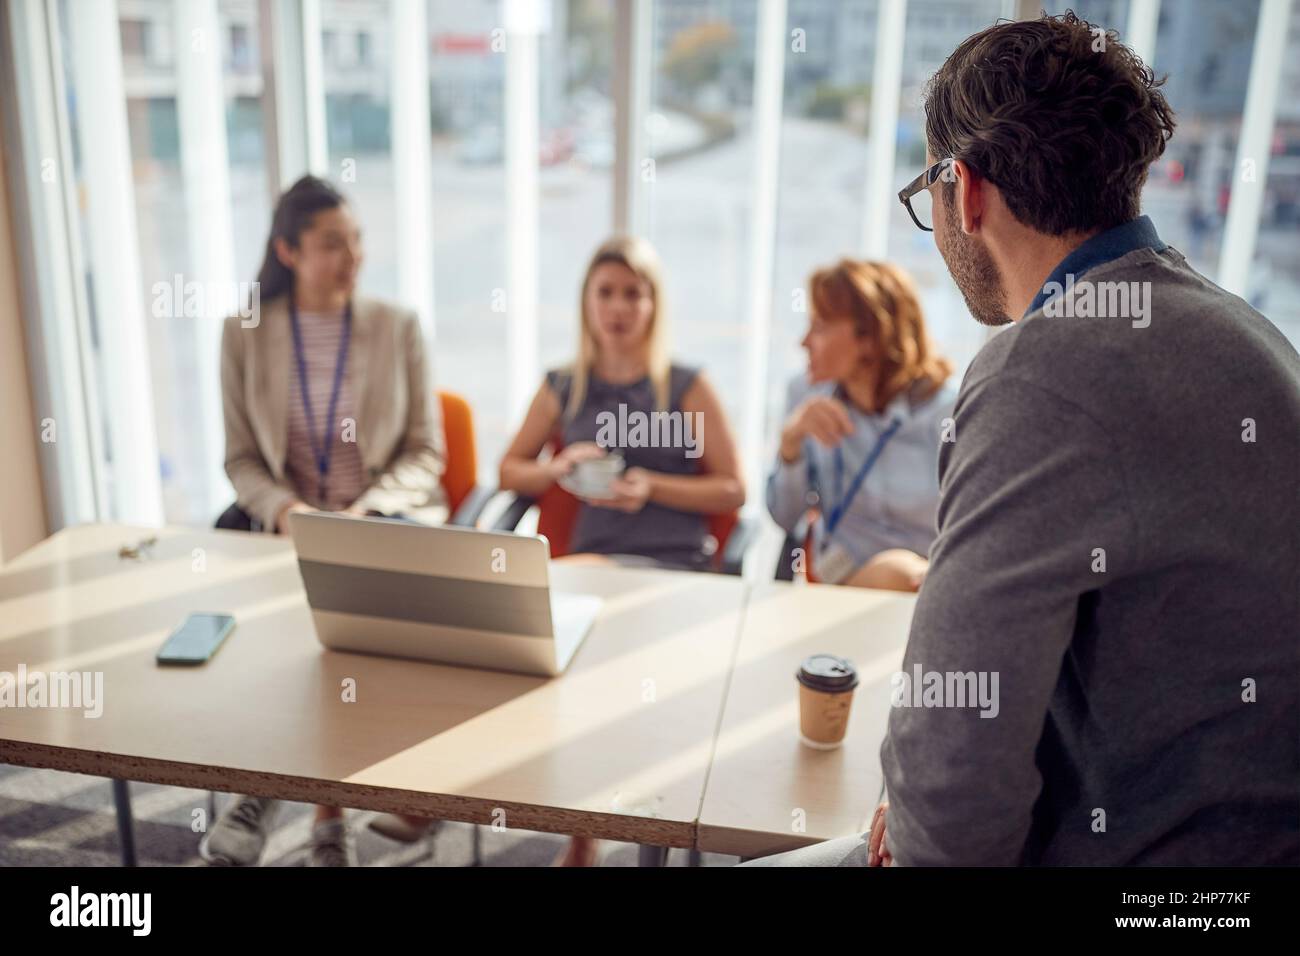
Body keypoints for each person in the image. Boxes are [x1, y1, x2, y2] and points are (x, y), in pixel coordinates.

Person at [746, 11, 1299, 866]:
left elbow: (952, 784)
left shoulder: (1038, 373)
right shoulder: (1249, 335)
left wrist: (911, 814)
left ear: (964, 190)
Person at [203, 175, 448, 867]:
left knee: (345, 638)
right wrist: (288, 511)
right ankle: (277, 785)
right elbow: (241, 458)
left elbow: (427, 451)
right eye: (332, 244)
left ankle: (308, 801)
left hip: (380, 521)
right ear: (287, 250)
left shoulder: (397, 327)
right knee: (281, 642)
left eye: (358, 240)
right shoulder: (242, 332)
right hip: (285, 524)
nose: (353, 257)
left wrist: (367, 511)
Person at [499, 235, 745, 864]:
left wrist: (650, 488)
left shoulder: (685, 385)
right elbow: (509, 471)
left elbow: (733, 488)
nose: (618, 307)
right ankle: (584, 826)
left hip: (672, 567)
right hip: (595, 566)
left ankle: (593, 833)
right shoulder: (564, 385)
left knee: (564, 596)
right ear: (586, 302)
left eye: (633, 293)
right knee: (569, 614)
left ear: (653, 304)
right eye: (606, 292)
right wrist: (559, 466)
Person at [767, 259, 955, 591]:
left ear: (870, 338)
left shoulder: (947, 412)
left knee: (903, 573)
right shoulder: (807, 397)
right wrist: (790, 443)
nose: (804, 341)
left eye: (820, 326)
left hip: (926, 587)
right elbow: (784, 517)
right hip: (839, 584)